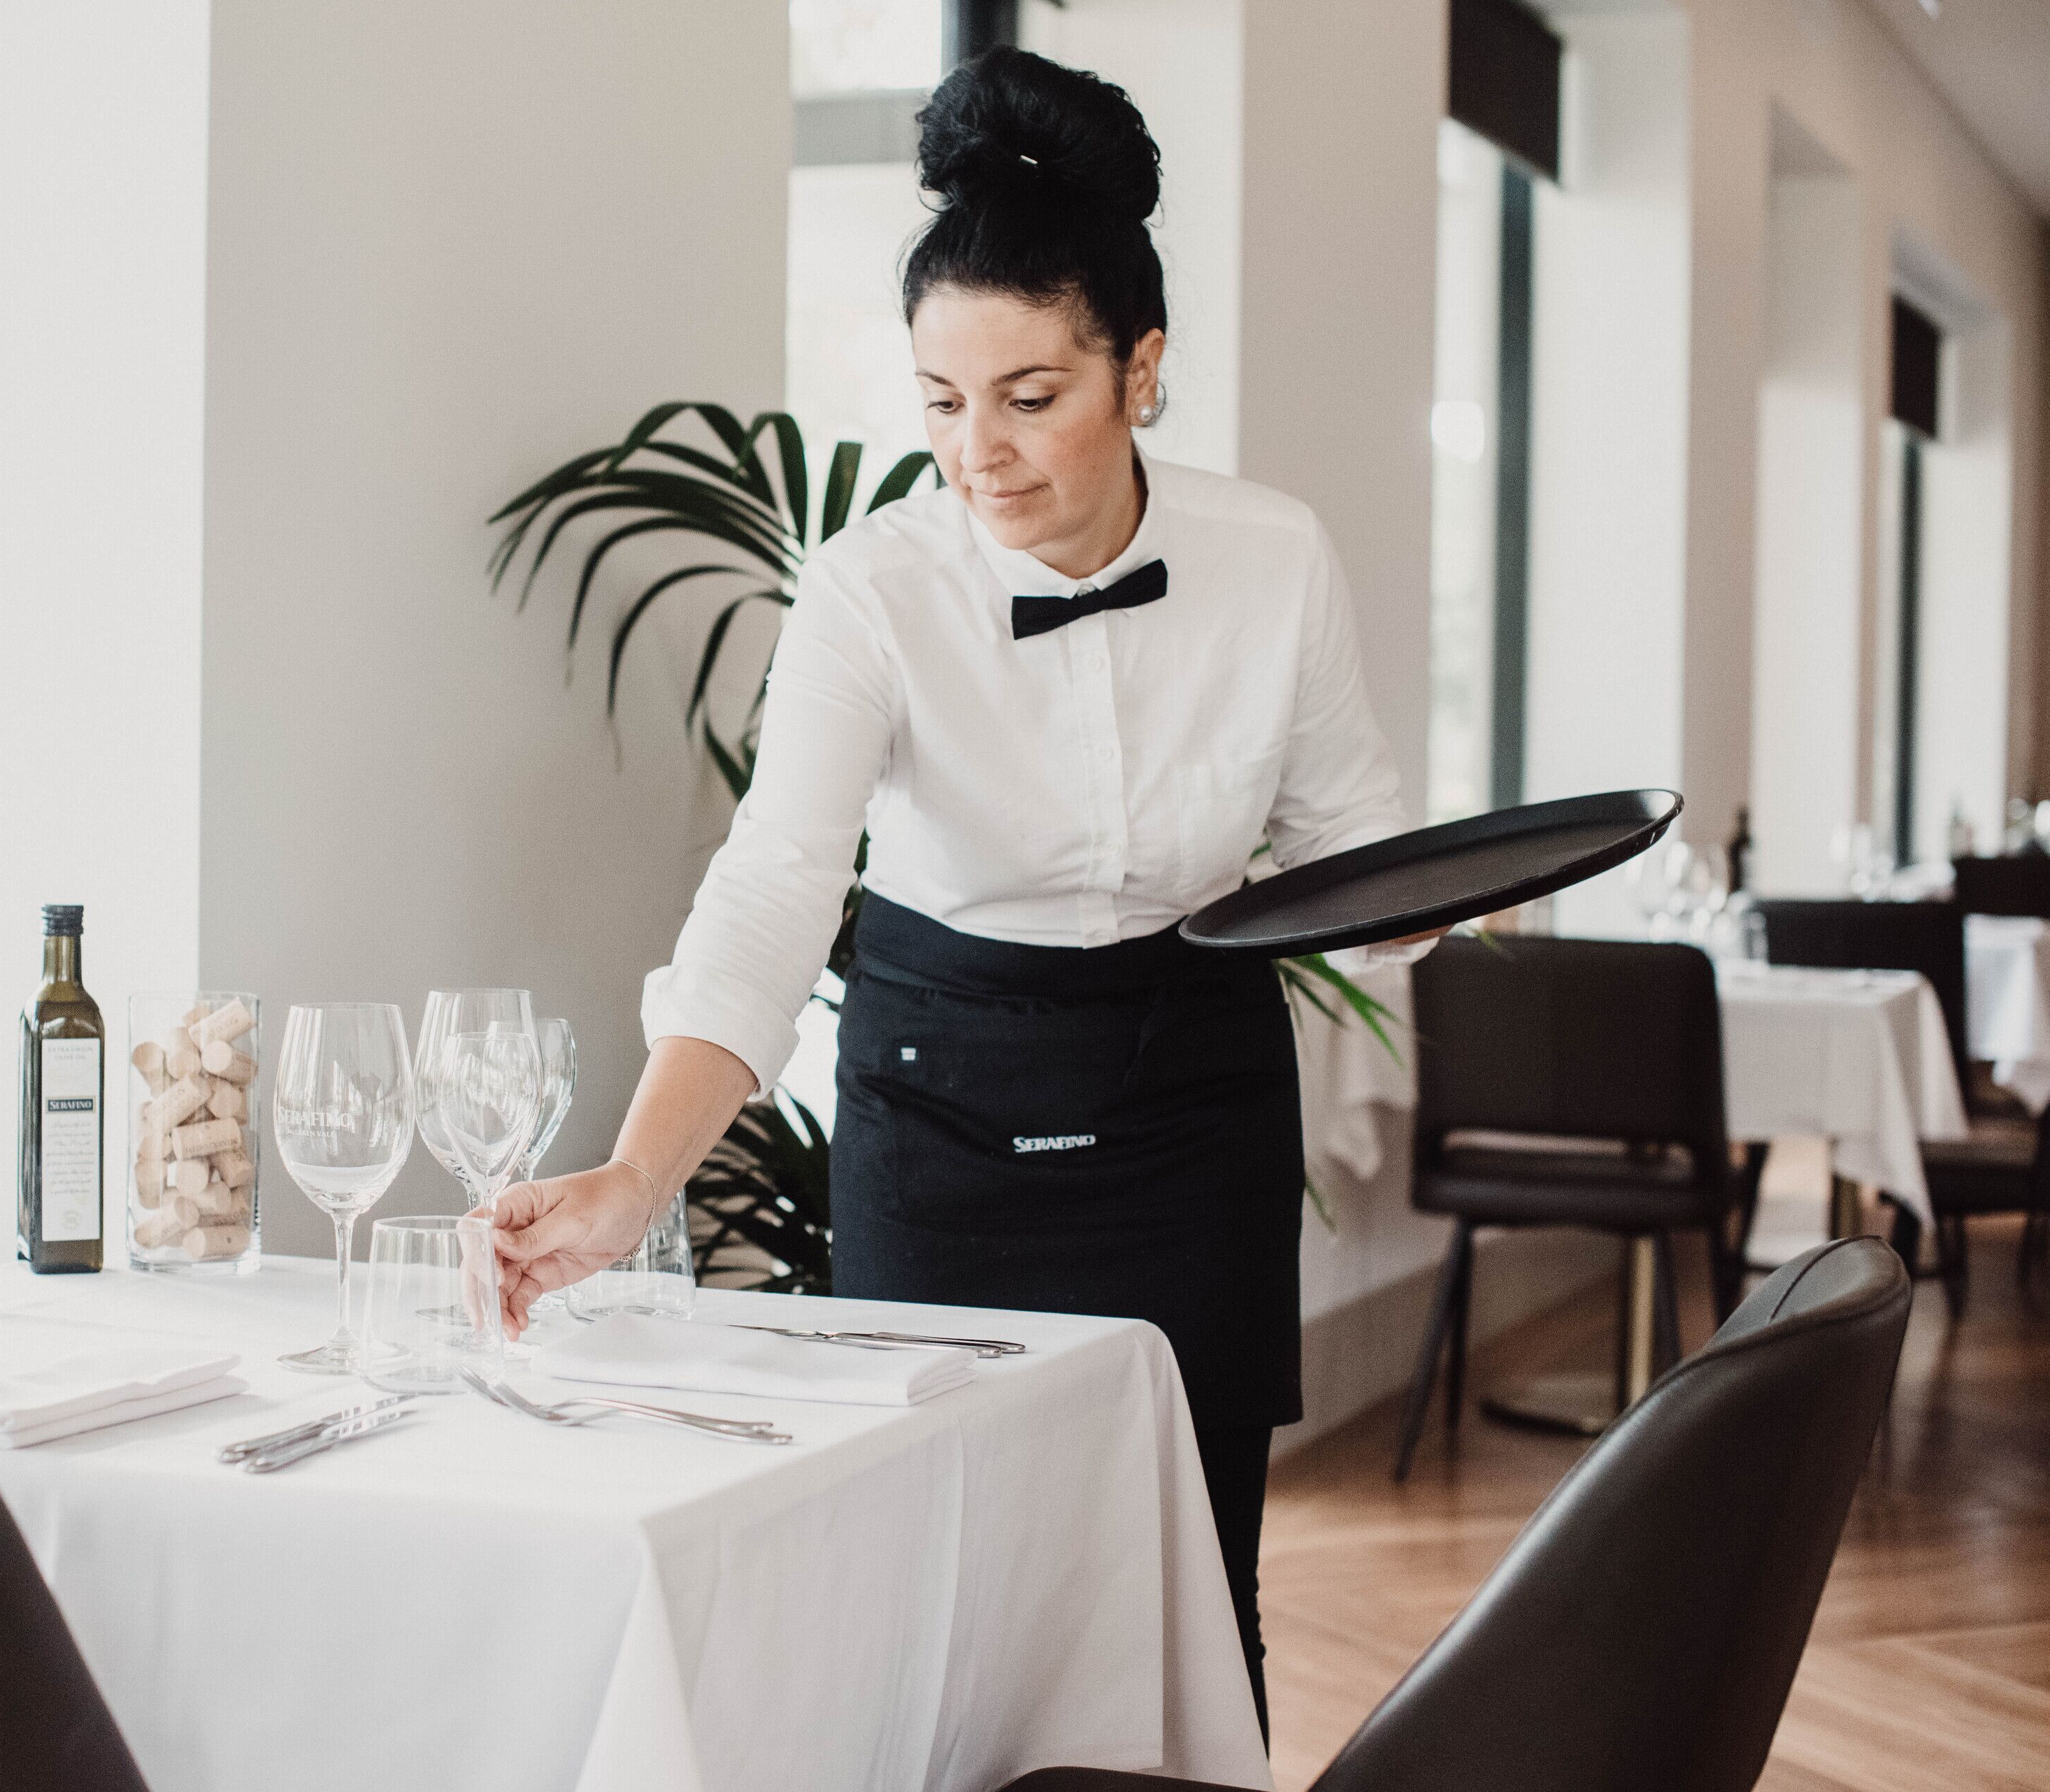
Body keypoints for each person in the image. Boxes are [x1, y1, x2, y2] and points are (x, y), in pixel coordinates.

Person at [488, 46, 1431, 1745]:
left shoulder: (1275, 557)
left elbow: (1351, 839)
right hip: (945, 1102)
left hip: (1191, 1099)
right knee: (931, 1578)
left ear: (1143, 372)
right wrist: (637, 1177)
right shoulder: (871, 588)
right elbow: (775, 889)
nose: (976, 453)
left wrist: (1421, 899)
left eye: (1030, 394)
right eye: (939, 399)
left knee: (1195, 1582)